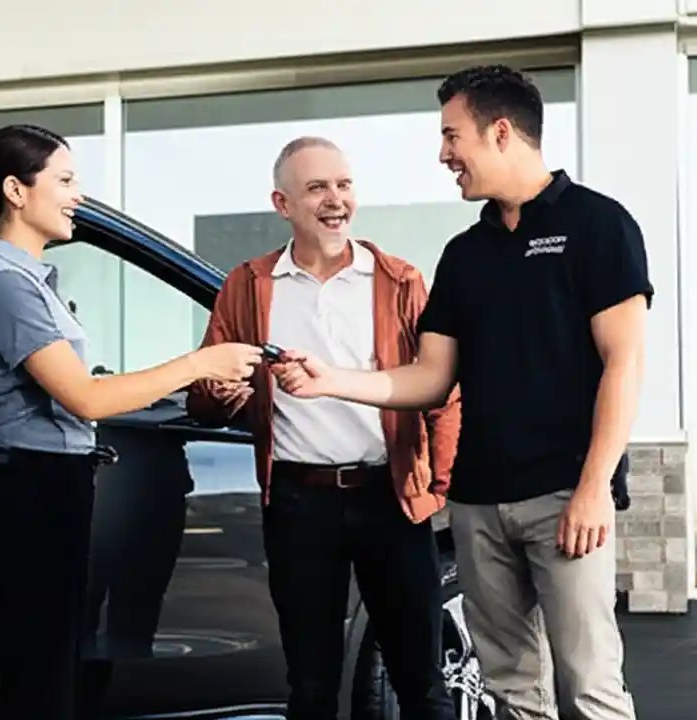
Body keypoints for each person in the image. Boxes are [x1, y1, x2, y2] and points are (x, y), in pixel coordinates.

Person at [271, 66, 649, 720]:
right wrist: (329, 379)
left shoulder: (599, 226)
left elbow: (625, 364)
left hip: (566, 498)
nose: (444, 154)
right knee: (511, 691)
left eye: (452, 136)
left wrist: (593, 489)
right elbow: (430, 377)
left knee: (590, 687)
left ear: (500, 132)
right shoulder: (464, 254)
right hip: (478, 506)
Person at [0, 123, 263, 720]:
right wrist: (198, 362)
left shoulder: (18, 280)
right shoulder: (4, 285)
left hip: (44, 482)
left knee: (51, 667)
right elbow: (86, 398)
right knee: (41, 677)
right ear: (17, 191)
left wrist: (193, 386)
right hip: (32, 486)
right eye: (65, 180)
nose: (78, 195)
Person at [186, 136, 461, 720]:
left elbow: (442, 391)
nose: (336, 200)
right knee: (310, 686)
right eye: (317, 188)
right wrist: (222, 394)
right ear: (282, 203)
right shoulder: (249, 285)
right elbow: (204, 398)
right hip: (297, 503)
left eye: (344, 185)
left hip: (391, 500)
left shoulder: (398, 280)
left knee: (422, 682)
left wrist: (437, 487)